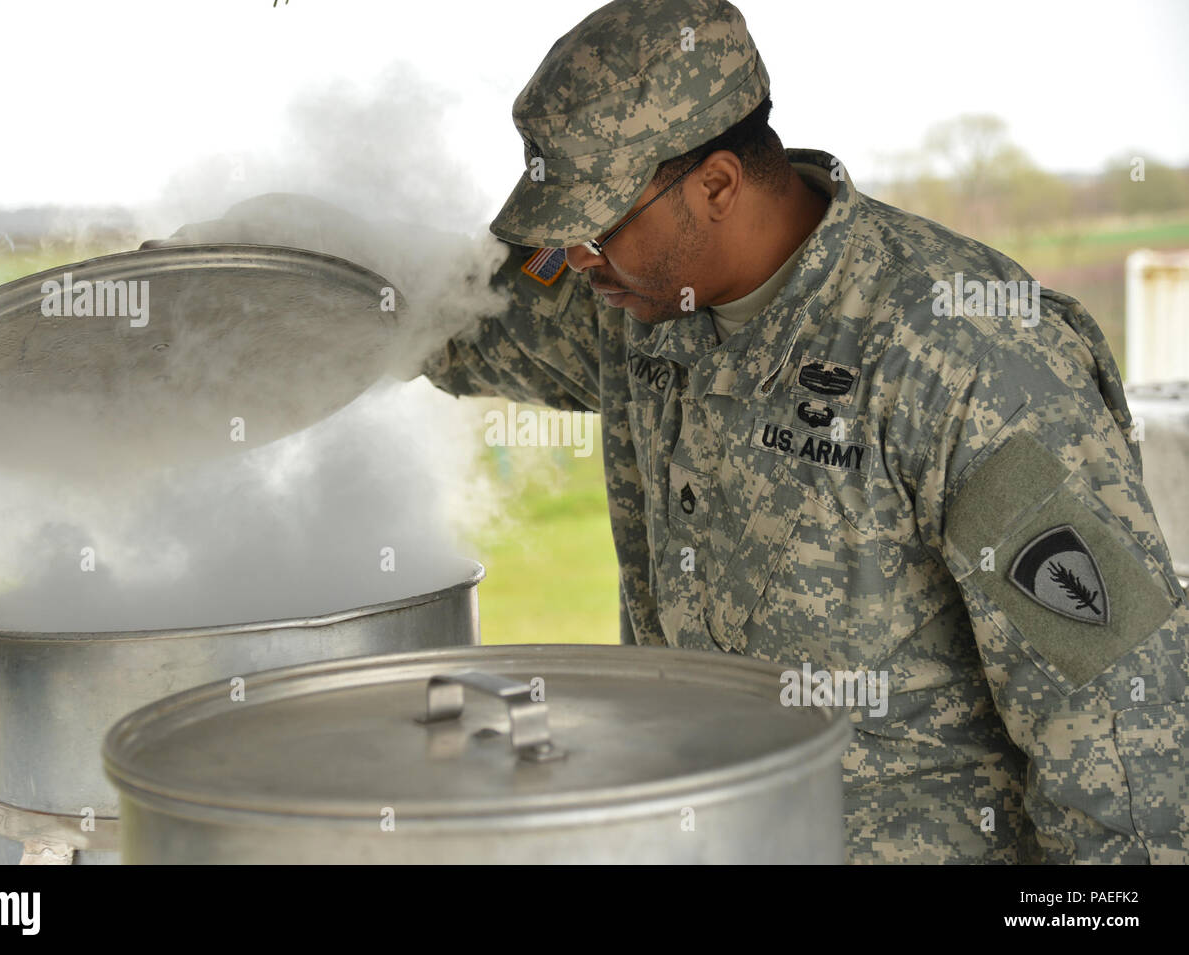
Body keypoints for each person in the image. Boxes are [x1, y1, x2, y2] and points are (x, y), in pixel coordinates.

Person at [418, 0, 1189, 863]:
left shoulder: (968, 355)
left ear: (716, 184)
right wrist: (271, 300)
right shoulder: (633, 309)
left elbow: (1125, 742)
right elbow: (444, 323)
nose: (575, 257)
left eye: (595, 225)